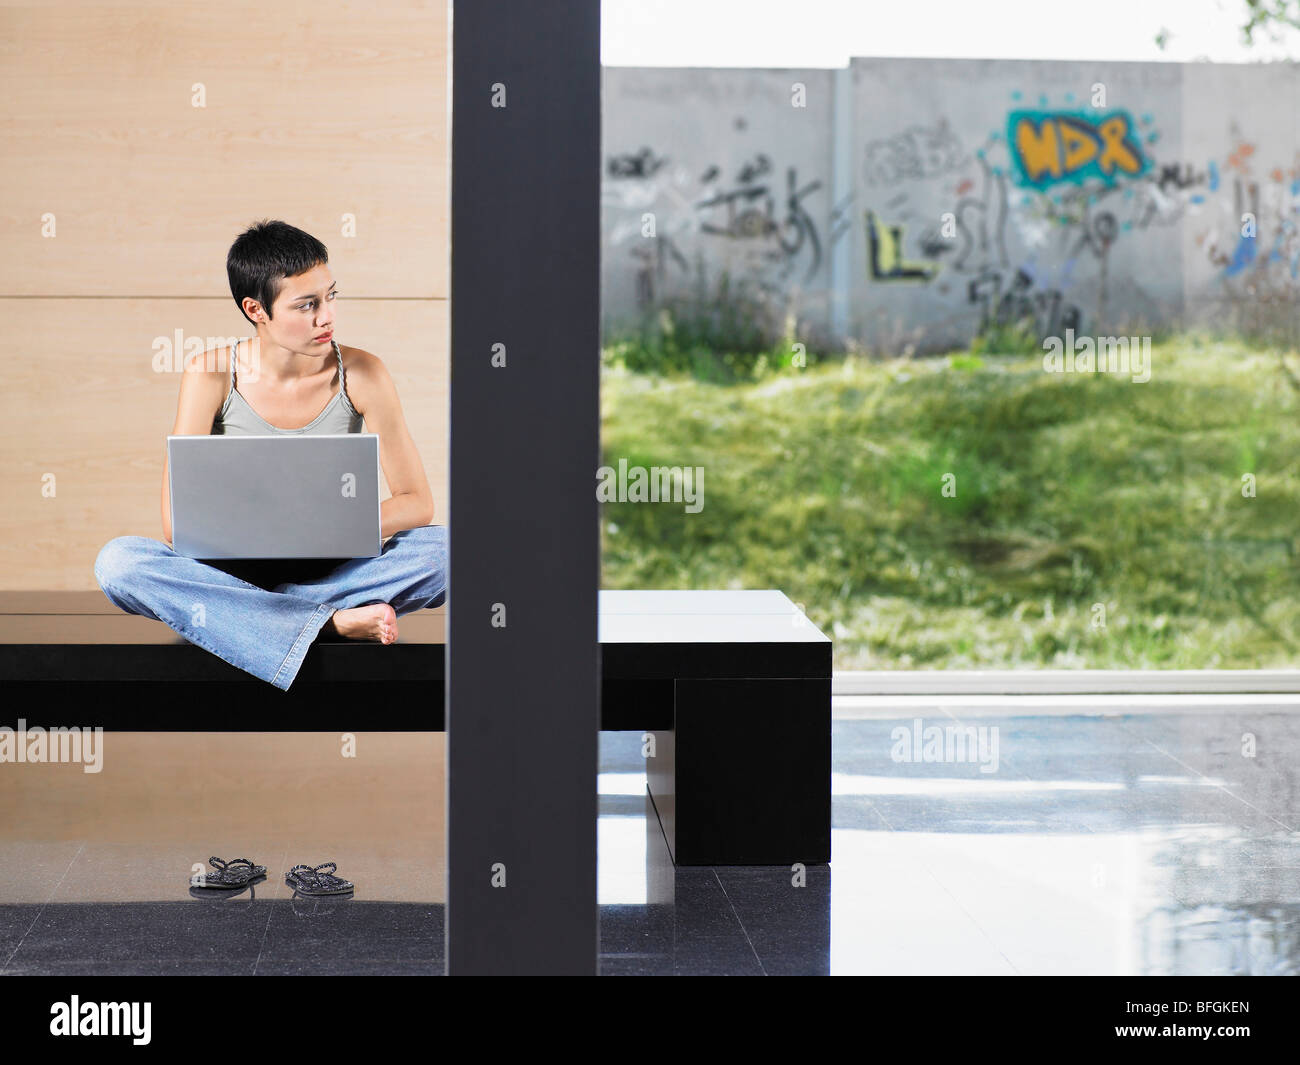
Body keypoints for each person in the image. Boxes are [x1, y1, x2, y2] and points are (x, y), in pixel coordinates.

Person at [93, 219, 447, 691]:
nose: (328, 317)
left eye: (330, 296)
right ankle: (328, 621)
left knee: (450, 550)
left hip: (334, 567)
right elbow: (178, 525)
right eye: (307, 305)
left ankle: (260, 616)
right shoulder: (211, 373)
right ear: (256, 309)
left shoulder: (363, 372)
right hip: (230, 569)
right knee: (118, 563)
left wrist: (326, 527)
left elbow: (415, 502)